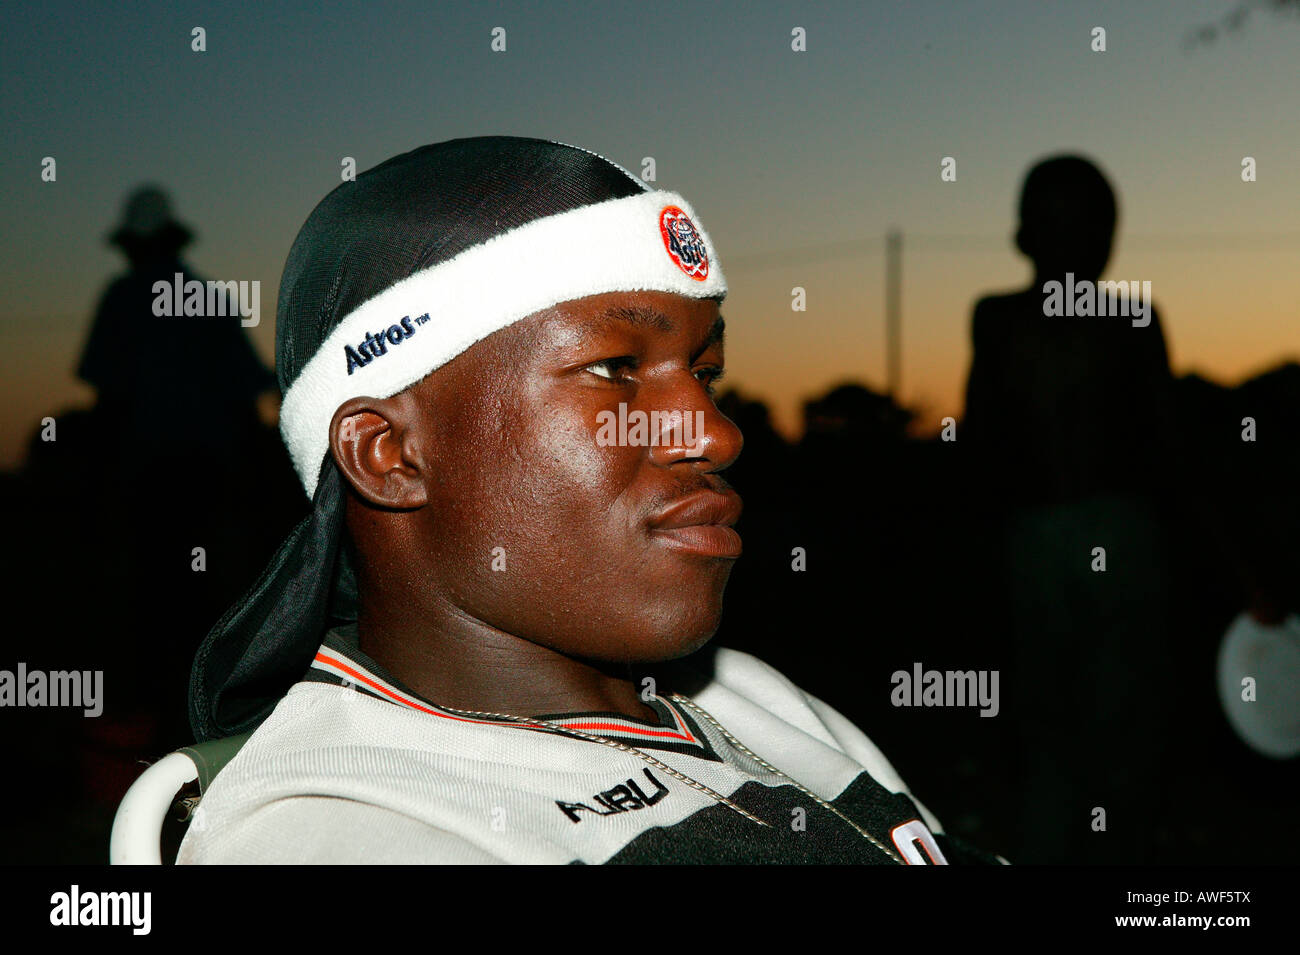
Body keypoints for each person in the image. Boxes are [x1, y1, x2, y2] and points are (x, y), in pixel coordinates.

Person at [178, 136, 1005, 864]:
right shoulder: (339, 832)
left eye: (706, 373)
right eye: (615, 368)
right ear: (389, 453)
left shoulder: (752, 697)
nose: (716, 434)